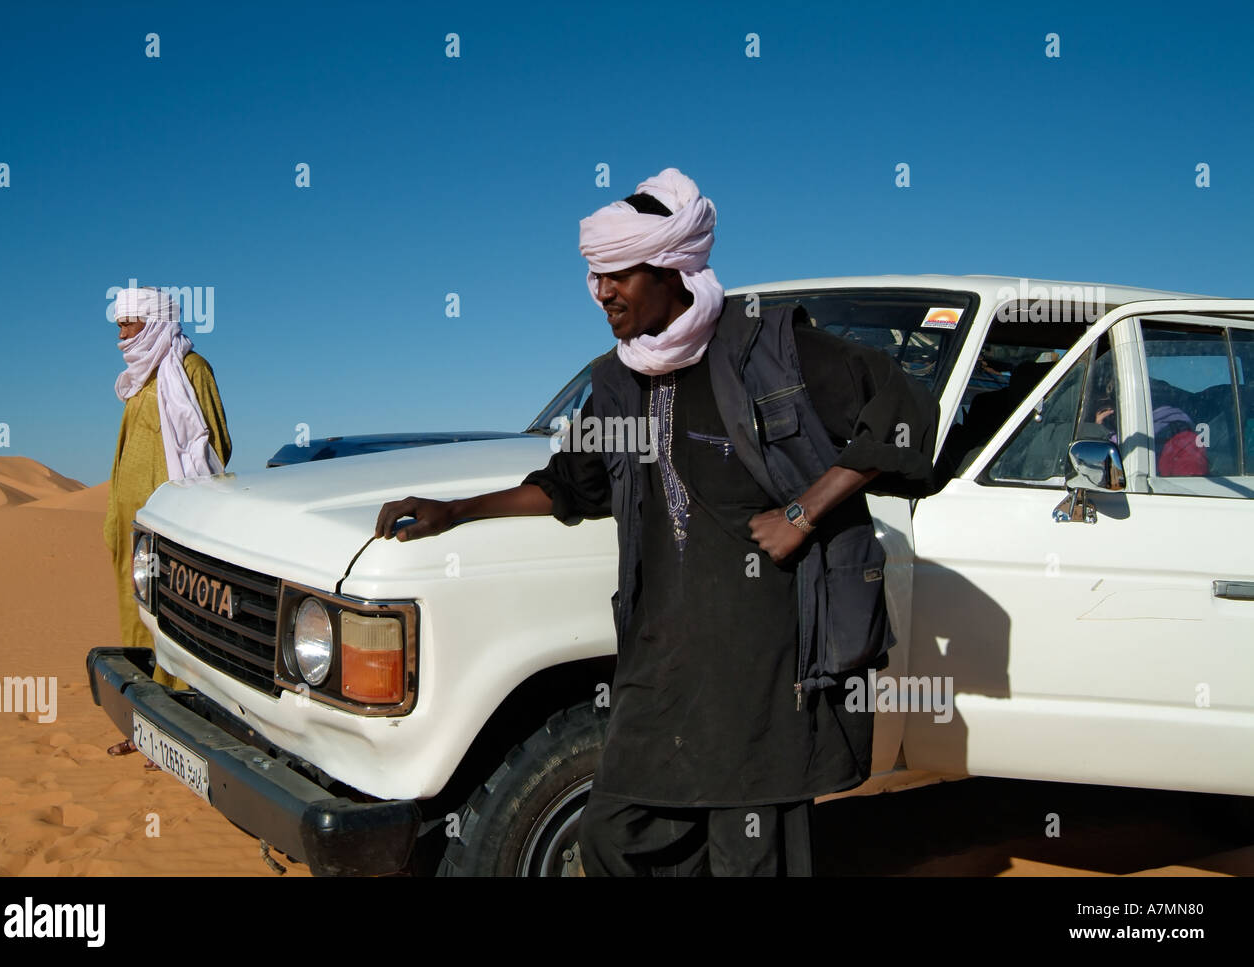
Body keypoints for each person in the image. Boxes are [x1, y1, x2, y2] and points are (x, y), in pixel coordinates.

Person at [374, 169, 939, 875]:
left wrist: (805, 509)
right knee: (615, 836)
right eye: (594, 277)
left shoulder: (768, 347)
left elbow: (906, 412)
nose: (602, 292)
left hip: (762, 660)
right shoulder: (618, 382)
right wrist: (454, 512)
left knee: (750, 857)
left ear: (671, 268)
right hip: (661, 656)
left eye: (617, 275)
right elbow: (568, 485)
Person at [102, 285, 231, 764]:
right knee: (135, 624)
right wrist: (115, 516)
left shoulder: (190, 369)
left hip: (171, 527)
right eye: (118, 323)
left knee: (172, 623)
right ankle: (141, 725)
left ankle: (174, 733)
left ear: (153, 321)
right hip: (130, 526)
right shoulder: (137, 380)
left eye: (127, 322)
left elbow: (215, 443)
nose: (120, 332)